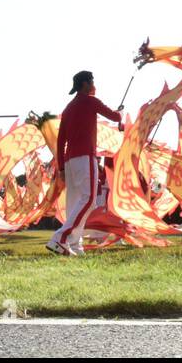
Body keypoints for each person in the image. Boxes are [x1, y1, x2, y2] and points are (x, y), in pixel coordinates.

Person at [48, 70, 122, 256]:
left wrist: (62, 167)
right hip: (85, 157)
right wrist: (120, 112)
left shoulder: (68, 108)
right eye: (92, 82)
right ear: (86, 84)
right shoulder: (90, 101)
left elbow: (60, 140)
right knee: (88, 199)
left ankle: (74, 244)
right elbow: (115, 117)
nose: (94, 85)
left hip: (70, 160)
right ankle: (61, 237)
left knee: (74, 203)